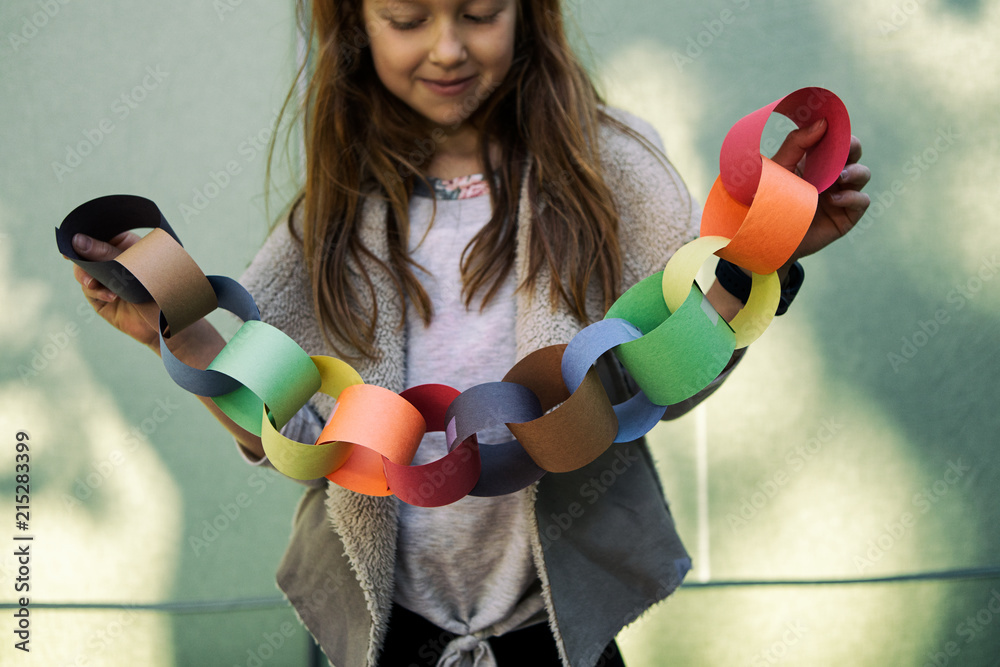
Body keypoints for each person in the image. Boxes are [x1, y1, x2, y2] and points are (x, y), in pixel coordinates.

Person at [68, 1, 871, 665]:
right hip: (381, 632)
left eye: (480, 12)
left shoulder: (612, 170)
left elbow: (658, 376)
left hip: (551, 635)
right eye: (408, 17)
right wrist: (172, 333)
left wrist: (765, 256)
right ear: (355, 24)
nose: (447, 48)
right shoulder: (331, 215)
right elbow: (297, 421)